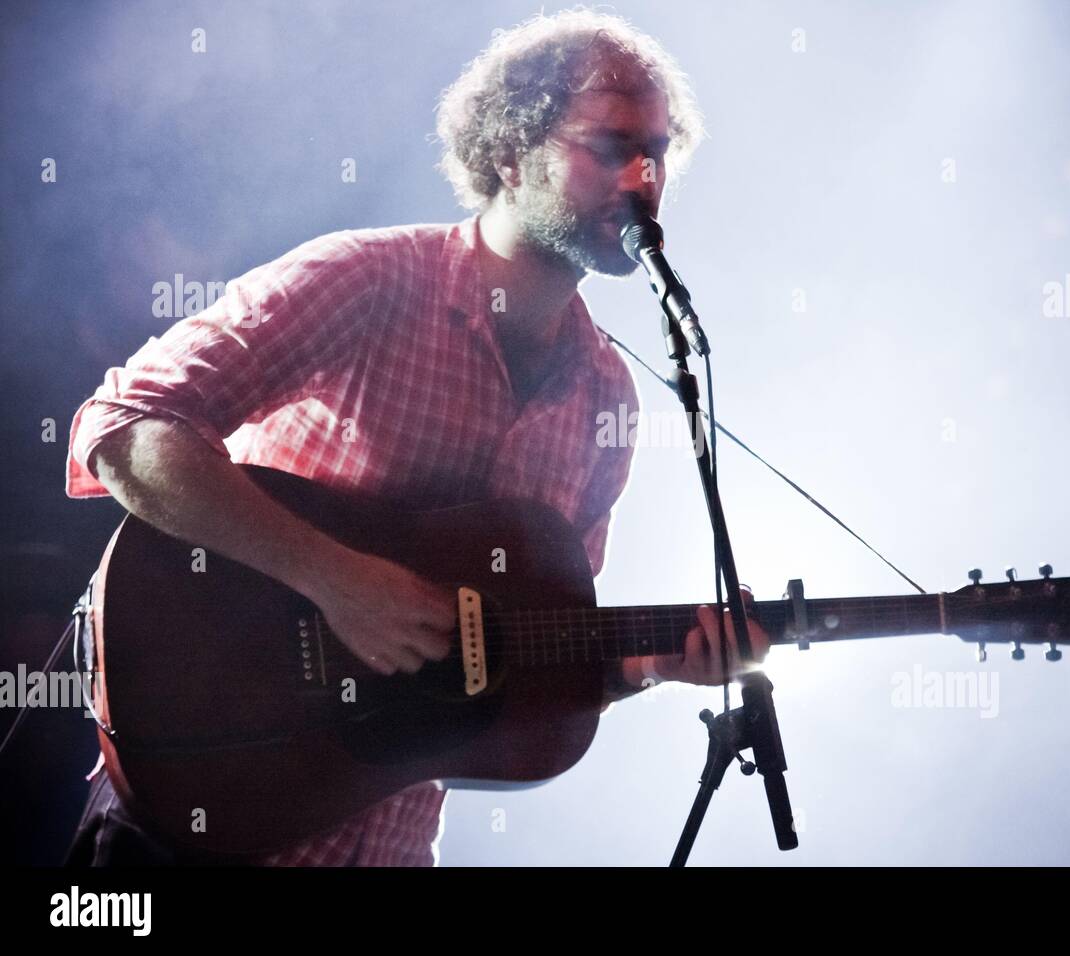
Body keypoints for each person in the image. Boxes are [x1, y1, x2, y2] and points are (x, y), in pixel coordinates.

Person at [62, 9, 769, 867]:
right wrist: (335, 579)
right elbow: (126, 426)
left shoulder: (605, 400)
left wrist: (653, 666)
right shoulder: (367, 279)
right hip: (203, 820)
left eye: (659, 151)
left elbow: (541, 648)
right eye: (610, 146)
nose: (644, 175)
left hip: (388, 849)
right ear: (510, 153)